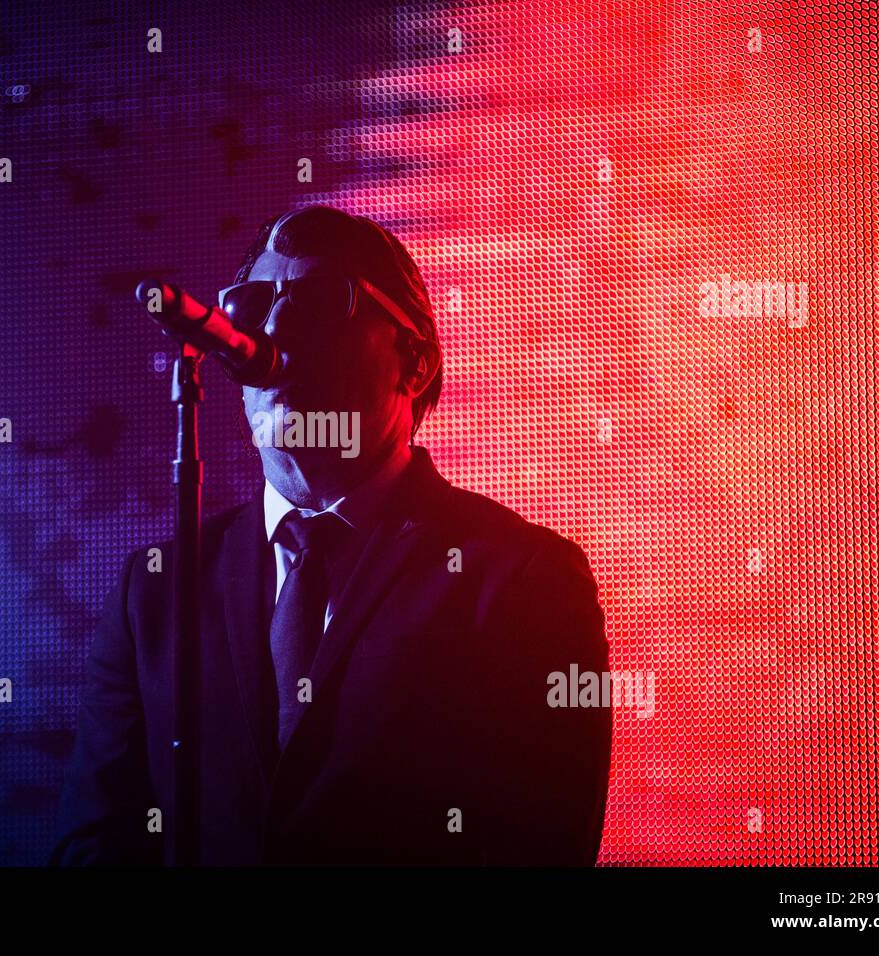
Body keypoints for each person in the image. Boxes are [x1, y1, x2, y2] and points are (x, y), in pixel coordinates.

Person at [50, 205, 611, 865]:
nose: (276, 325)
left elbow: (538, 850)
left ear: (416, 363)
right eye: (253, 302)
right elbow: (94, 847)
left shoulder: (522, 580)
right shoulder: (154, 592)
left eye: (321, 302)